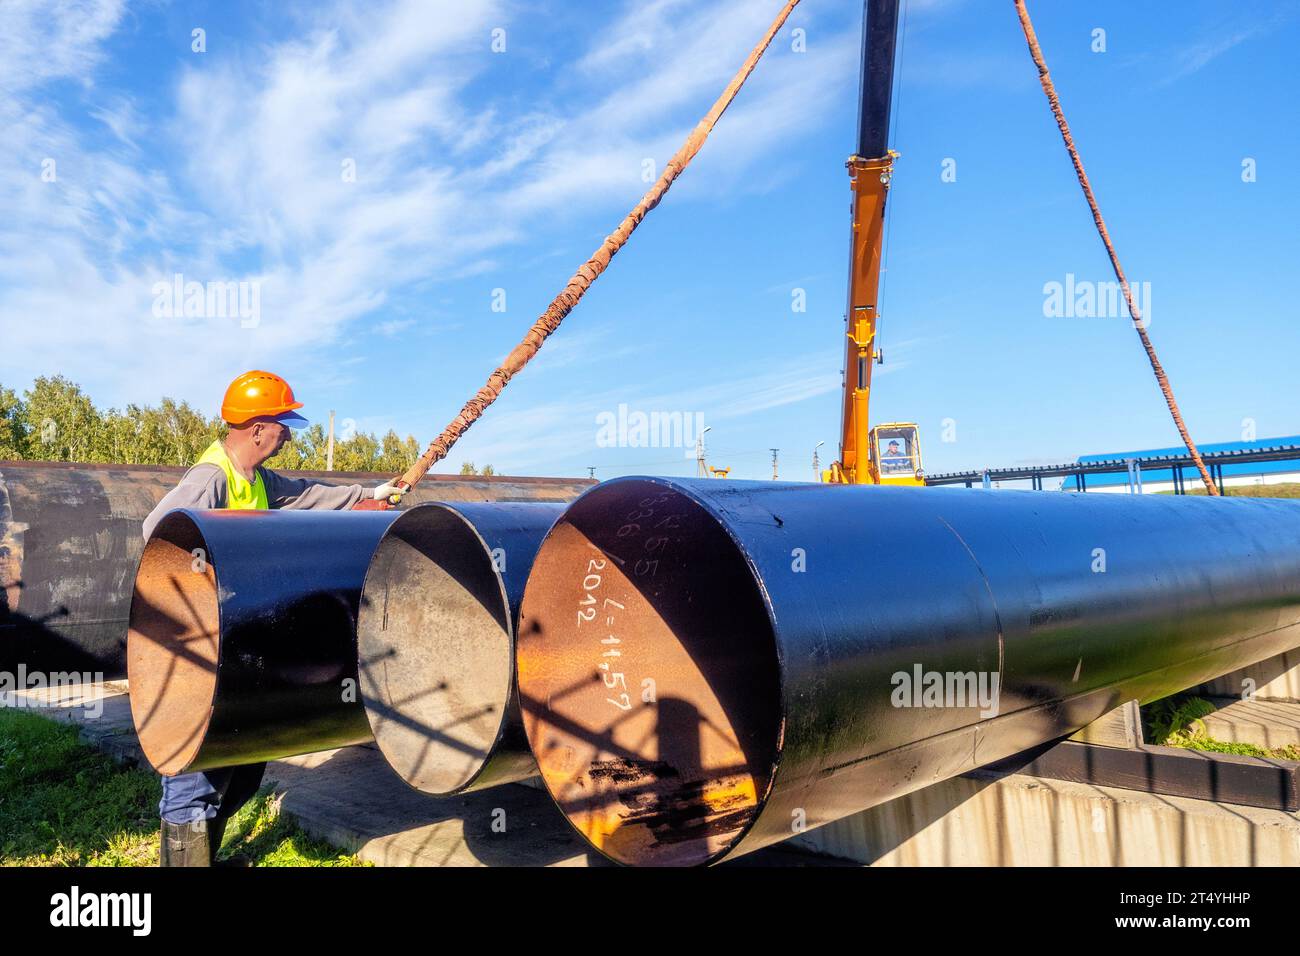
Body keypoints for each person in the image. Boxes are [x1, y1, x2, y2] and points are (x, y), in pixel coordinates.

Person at [143, 370, 405, 865]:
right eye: (283, 422)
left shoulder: (258, 480)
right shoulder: (212, 477)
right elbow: (157, 528)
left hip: (234, 642)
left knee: (242, 764)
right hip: (196, 645)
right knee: (193, 773)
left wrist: (370, 495)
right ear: (257, 427)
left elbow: (308, 495)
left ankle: (207, 855)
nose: (288, 432)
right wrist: (211, 566)